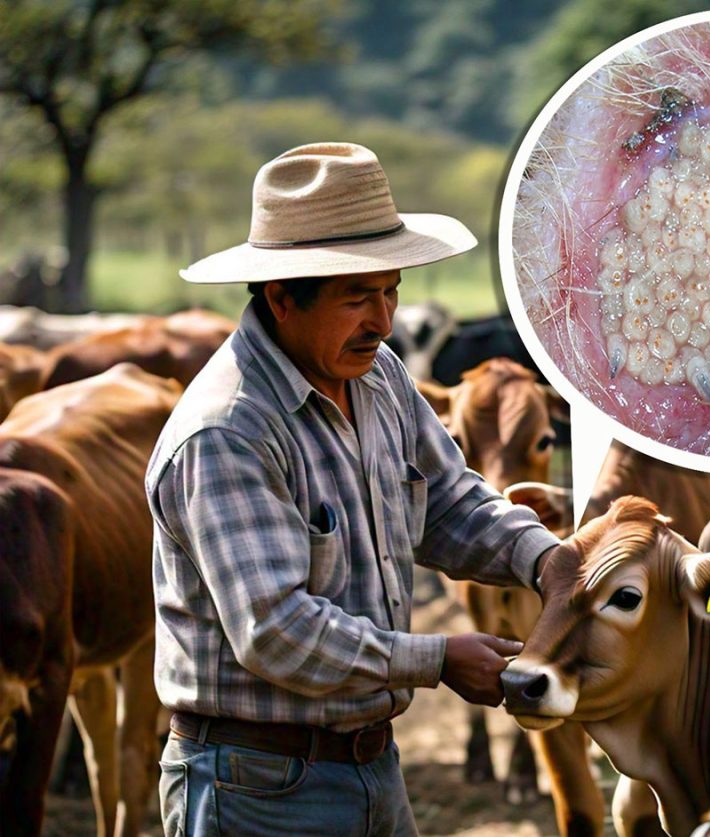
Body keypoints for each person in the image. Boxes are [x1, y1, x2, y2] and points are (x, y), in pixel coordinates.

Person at [145, 142, 560, 836]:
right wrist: (436, 658)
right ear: (282, 298)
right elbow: (275, 630)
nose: (384, 319)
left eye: (391, 289)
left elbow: (449, 500)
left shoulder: (378, 377)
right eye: (357, 297)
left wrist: (544, 556)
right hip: (257, 785)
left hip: (370, 763)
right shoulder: (228, 432)